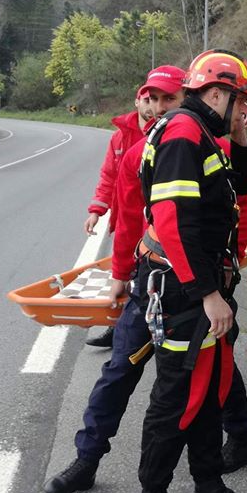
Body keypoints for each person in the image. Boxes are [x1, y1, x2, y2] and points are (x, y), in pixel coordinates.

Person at [41, 63, 247, 493]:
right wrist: (125, 277)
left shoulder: (204, 141)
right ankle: (93, 464)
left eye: (168, 98)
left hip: (185, 280)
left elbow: (238, 201)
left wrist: (227, 266)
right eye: (153, 98)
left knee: (212, 374)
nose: (159, 106)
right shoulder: (176, 139)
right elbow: (146, 221)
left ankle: (229, 455)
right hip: (166, 284)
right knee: (136, 374)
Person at [131, 50, 247, 493]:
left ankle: (209, 492)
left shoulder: (202, 133)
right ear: (217, 94)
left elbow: (233, 194)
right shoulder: (185, 133)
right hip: (184, 289)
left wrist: (242, 138)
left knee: (208, 391)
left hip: (201, 284)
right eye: (240, 101)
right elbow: (173, 221)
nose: (243, 110)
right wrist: (208, 294)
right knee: (176, 397)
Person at [81, 81, 161, 347]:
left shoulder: (162, 132)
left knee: (142, 277)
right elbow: (108, 176)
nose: (152, 105)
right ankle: (121, 330)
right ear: (137, 102)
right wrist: (96, 210)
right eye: (147, 100)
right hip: (128, 215)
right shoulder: (120, 137)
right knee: (125, 275)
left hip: (153, 218)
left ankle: (133, 331)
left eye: (156, 99)